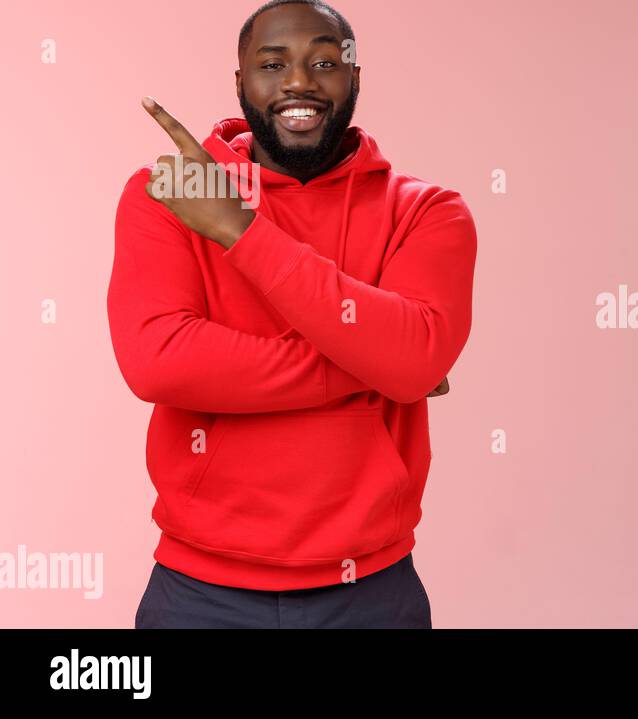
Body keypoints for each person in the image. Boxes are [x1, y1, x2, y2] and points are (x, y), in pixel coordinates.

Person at [106, 0, 476, 628]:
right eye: (273, 63)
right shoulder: (170, 193)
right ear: (241, 82)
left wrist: (239, 232)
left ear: (355, 78)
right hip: (198, 594)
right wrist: (378, 366)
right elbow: (159, 365)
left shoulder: (427, 210)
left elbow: (414, 359)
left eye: (325, 62)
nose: (299, 82)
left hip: (371, 592)